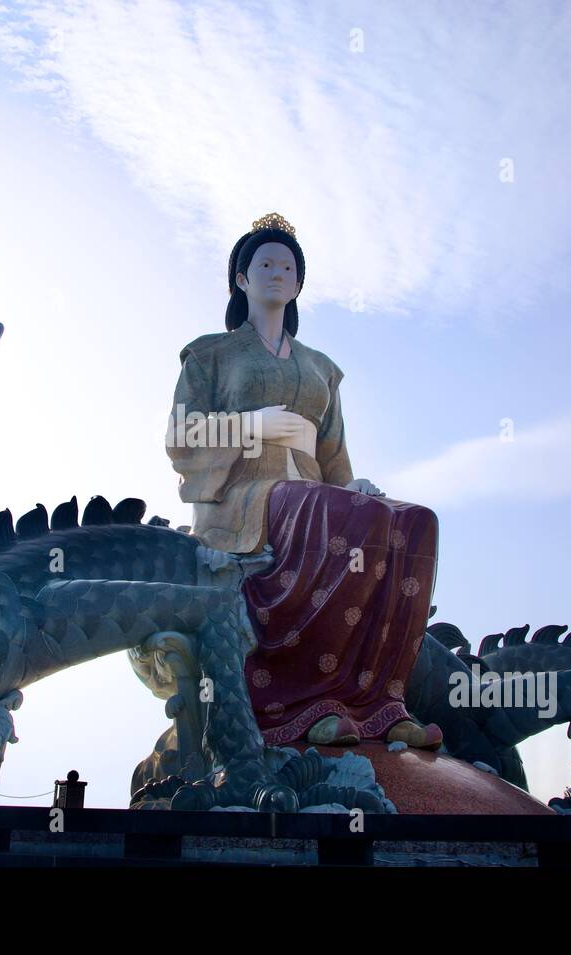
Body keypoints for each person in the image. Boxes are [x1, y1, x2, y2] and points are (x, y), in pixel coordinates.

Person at [166, 212, 442, 749]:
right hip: (245, 497)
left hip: (315, 492)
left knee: (413, 523)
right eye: (263, 262)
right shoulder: (210, 355)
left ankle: (380, 703)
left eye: (286, 266)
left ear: (298, 284)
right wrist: (251, 425)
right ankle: (297, 702)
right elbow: (180, 433)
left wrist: (353, 484)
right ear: (241, 279)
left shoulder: (321, 368)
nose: (275, 271)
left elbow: (333, 451)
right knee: (325, 510)